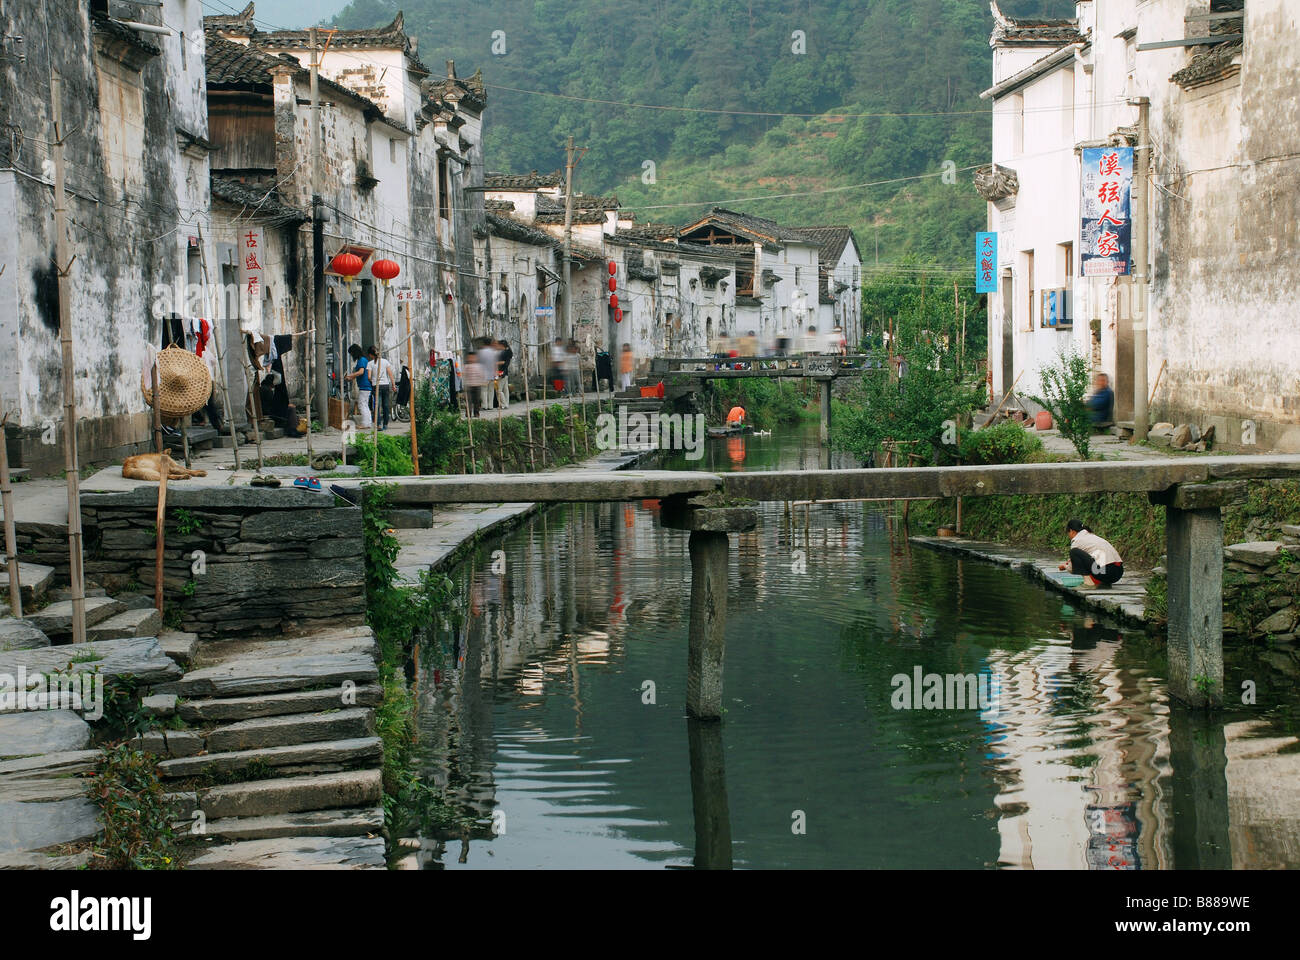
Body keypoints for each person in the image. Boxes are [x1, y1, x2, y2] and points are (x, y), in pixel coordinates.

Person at [1058, 519, 1123, 588]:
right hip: (1118, 572)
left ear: (1072, 531)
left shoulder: (1077, 541)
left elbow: (1072, 568)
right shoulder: (1092, 537)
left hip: (1106, 572)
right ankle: (1104, 583)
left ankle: (1089, 584)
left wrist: (1065, 566)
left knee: (1074, 552)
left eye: (1068, 533)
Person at [344, 343, 373, 428]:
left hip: (365, 385)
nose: (351, 356)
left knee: (361, 404)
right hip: (365, 385)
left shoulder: (361, 360)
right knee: (365, 404)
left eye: (351, 354)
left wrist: (350, 375)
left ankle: (365, 423)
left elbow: (361, 372)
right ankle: (368, 423)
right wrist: (351, 377)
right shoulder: (363, 360)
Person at [368, 346, 394, 431]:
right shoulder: (385, 361)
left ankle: (378, 424)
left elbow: (369, 377)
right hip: (385, 385)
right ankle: (385, 424)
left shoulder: (370, 363)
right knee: (386, 406)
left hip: (376, 386)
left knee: (377, 406)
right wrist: (393, 385)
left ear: (371, 355)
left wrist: (373, 381)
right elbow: (390, 374)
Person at [461, 349, 485, 417]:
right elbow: (463, 376)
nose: (471, 359)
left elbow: (481, 375)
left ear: (476, 358)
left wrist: (482, 381)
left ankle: (476, 413)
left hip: (477, 385)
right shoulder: (466, 366)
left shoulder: (479, 366)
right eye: (469, 357)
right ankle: (468, 413)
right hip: (468, 386)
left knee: (477, 400)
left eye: (473, 357)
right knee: (469, 400)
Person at [495, 338, 513, 410]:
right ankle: (506, 404)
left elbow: (504, 362)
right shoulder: (507, 351)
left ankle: (503, 404)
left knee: (498, 390)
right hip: (505, 372)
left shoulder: (504, 352)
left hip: (501, 372)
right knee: (505, 390)